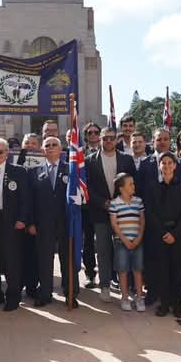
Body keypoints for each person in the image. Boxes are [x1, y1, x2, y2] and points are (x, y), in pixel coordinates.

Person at [84, 127, 136, 302]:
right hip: (101, 212)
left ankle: (125, 288)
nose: (108, 141)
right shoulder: (90, 160)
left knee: (123, 250)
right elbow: (87, 187)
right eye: (105, 138)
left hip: (123, 213)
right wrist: (103, 203)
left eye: (111, 138)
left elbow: (132, 185)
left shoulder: (127, 160)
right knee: (103, 250)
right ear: (99, 139)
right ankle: (104, 285)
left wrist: (122, 202)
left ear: (116, 140)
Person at [0, 137, 31, 311]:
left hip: (10, 222)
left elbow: (26, 199)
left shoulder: (18, 172)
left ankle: (13, 296)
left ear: (7, 153)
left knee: (11, 261)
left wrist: (22, 219)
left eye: (0, 151)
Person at [144, 152, 181, 318]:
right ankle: (163, 304)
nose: (167, 166)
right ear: (159, 166)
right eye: (163, 163)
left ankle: (177, 304)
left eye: (170, 163)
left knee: (177, 270)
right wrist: (163, 232)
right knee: (162, 270)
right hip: (159, 234)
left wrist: (174, 233)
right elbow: (150, 212)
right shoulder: (152, 186)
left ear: (175, 165)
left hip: (177, 235)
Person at [27, 136, 69, 307]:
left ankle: (70, 292)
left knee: (68, 260)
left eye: (54, 145)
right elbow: (30, 201)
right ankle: (45, 294)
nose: (51, 148)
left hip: (66, 223)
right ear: (42, 151)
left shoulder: (71, 170)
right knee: (44, 260)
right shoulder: (34, 172)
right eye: (47, 146)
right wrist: (31, 223)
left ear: (60, 149)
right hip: (43, 224)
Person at [109, 173, 145, 312]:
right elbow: (114, 224)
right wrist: (124, 240)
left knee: (138, 269)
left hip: (137, 241)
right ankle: (124, 298)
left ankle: (139, 297)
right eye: (130, 184)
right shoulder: (114, 204)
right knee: (123, 270)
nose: (134, 186)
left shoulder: (138, 202)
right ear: (121, 188)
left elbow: (142, 221)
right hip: (121, 242)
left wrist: (139, 237)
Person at [80, 122, 102, 287]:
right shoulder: (79, 154)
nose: (93, 135)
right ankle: (90, 273)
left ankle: (109, 275)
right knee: (88, 241)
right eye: (90, 133)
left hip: (103, 204)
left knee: (105, 241)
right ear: (85, 136)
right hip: (86, 205)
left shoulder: (107, 152)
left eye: (96, 132)